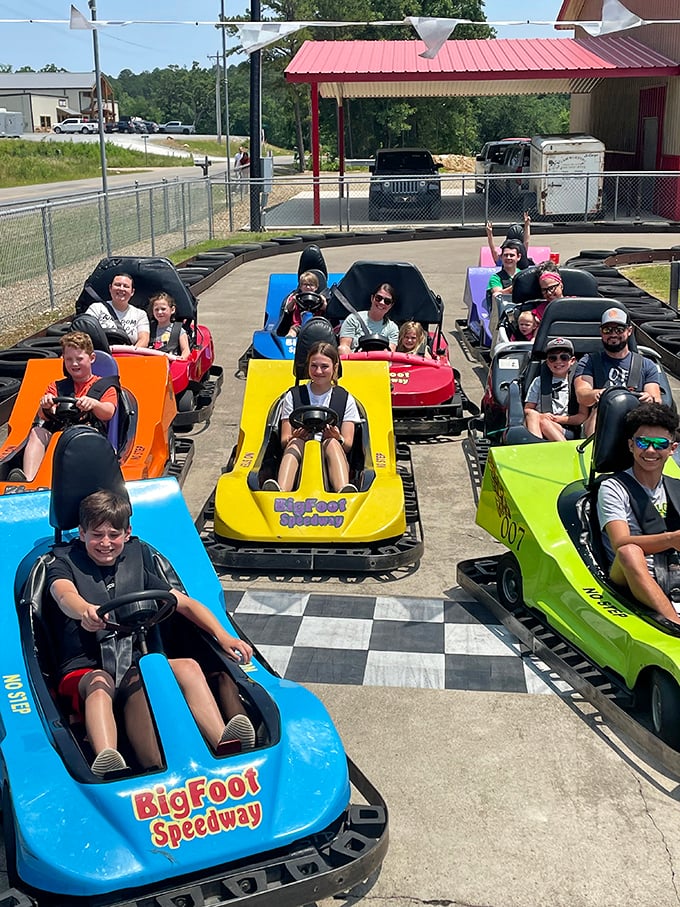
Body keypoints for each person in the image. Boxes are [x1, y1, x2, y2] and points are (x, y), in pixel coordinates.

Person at [46, 490, 256, 775]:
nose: (105, 543)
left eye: (113, 535)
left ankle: (223, 741)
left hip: (134, 662)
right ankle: (108, 758)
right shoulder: (63, 563)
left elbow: (185, 604)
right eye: (97, 535)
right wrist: (84, 609)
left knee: (189, 666)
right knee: (99, 683)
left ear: (127, 533)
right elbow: (63, 594)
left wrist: (224, 635)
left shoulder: (137, 560)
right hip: (84, 668)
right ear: (82, 533)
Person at [597, 402, 680, 626]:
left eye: (659, 444)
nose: (651, 451)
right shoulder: (614, 488)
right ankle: (674, 624)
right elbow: (620, 543)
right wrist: (672, 539)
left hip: (673, 569)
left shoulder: (675, 487)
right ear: (631, 445)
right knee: (629, 551)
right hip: (630, 572)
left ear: (672, 449)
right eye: (643, 443)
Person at [9, 331, 118, 483]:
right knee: (37, 432)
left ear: (91, 358)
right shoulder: (57, 386)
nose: (74, 364)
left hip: (90, 435)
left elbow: (108, 412)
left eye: (79, 359)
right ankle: (30, 479)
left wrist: (94, 404)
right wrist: (47, 406)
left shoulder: (104, 387)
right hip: (60, 433)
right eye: (69, 359)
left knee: (76, 440)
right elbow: (43, 415)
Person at [263, 341, 360, 494]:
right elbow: (283, 440)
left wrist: (337, 437)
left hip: (332, 451)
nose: (318, 371)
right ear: (308, 366)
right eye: (314, 366)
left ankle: (343, 490)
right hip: (301, 450)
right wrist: (294, 436)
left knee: (332, 443)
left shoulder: (345, 398)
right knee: (295, 442)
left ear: (335, 367)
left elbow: (347, 444)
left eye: (324, 366)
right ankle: (281, 490)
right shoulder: (293, 396)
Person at [574, 307, 661, 436]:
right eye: (607, 330)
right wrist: (596, 394)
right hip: (599, 420)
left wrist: (648, 398)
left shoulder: (647, 364)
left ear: (629, 331)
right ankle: (594, 452)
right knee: (600, 409)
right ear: (601, 332)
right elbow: (582, 394)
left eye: (619, 330)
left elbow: (656, 399)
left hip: (635, 420)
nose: (613, 335)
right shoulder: (588, 361)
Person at [523, 337, 588, 441]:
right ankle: (536, 445)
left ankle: (564, 450)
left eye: (564, 357)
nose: (558, 362)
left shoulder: (578, 382)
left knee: (545, 422)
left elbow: (582, 416)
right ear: (547, 362)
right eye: (553, 358)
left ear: (572, 361)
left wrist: (558, 419)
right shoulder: (539, 381)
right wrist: (542, 416)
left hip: (566, 428)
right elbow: (528, 409)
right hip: (540, 424)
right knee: (532, 414)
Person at [85, 273, 150, 348]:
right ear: (110, 288)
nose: (121, 289)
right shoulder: (96, 308)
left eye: (126, 286)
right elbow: (86, 334)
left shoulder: (140, 314)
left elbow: (144, 339)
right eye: (117, 285)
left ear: (132, 292)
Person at [338, 283, 399, 352]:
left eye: (387, 301)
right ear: (372, 298)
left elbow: (390, 352)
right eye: (378, 298)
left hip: (379, 361)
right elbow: (344, 346)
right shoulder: (353, 319)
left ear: (391, 305)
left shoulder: (393, 328)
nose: (382, 302)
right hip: (355, 360)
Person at [277, 271, 327, 337]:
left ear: (316, 287)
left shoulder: (319, 299)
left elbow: (325, 309)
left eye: (311, 285)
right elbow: (289, 309)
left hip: (316, 326)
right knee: (292, 331)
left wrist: (324, 301)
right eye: (305, 285)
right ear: (300, 286)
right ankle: (289, 341)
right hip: (298, 325)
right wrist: (293, 301)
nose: (308, 287)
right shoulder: (295, 297)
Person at [148, 291, 190, 359]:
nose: (160, 312)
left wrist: (181, 358)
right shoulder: (149, 329)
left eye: (163, 309)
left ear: (172, 310)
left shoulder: (178, 330)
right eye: (156, 309)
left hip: (171, 364)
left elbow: (186, 350)